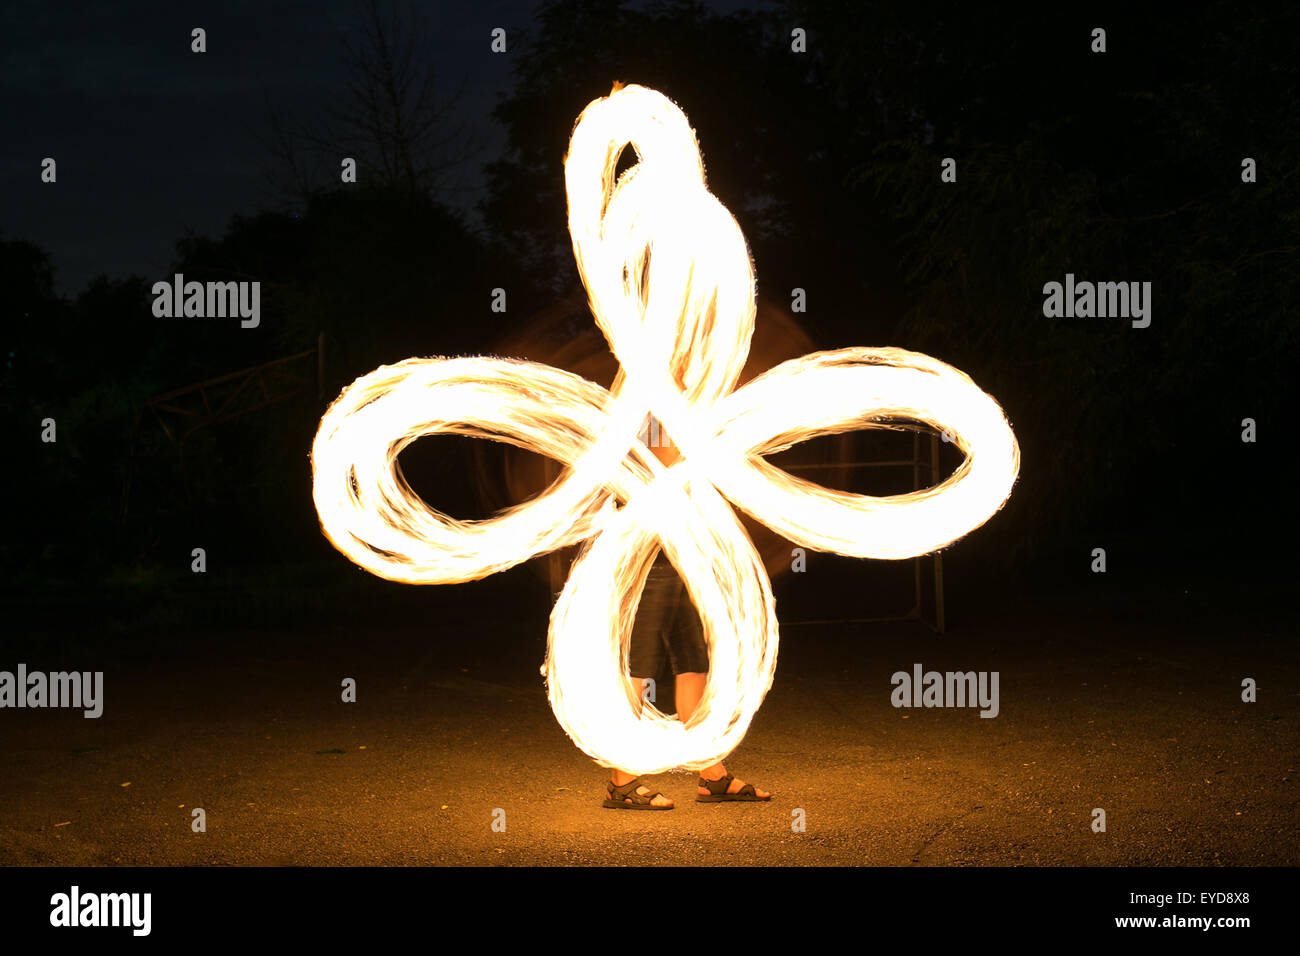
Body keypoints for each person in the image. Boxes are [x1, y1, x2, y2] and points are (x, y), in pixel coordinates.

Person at [603, 411, 772, 809]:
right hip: (649, 560)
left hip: (682, 561)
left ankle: (711, 776)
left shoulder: (681, 408)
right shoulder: (650, 413)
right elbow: (660, 470)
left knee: (692, 664)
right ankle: (621, 782)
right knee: (639, 670)